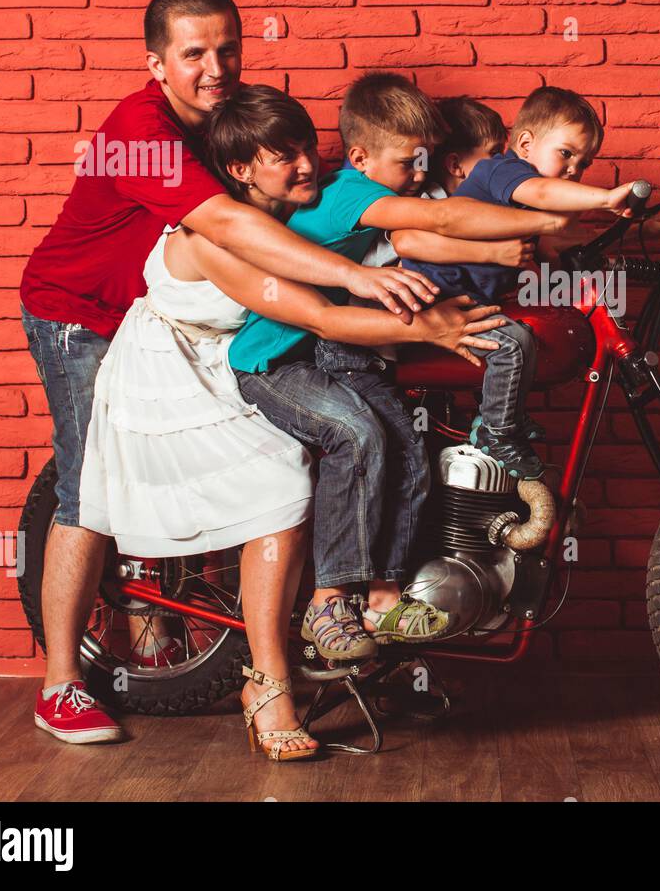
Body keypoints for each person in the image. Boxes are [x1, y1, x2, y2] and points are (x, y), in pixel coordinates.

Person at [20, 0, 436, 745]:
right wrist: (352, 276)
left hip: (197, 327)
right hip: (80, 316)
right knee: (89, 484)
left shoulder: (229, 127)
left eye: (228, 49)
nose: (217, 67)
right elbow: (228, 224)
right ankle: (61, 683)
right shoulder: (142, 132)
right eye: (194, 54)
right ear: (157, 64)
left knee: (282, 465)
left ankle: (276, 660)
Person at [76, 85, 505, 759]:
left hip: (263, 358)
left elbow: (397, 235)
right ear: (243, 169)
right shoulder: (218, 235)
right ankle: (273, 678)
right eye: (286, 154)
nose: (309, 162)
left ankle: (368, 620)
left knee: (383, 435)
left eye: (308, 145)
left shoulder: (311, 205)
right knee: (289, 484)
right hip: (179, 369)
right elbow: (322, 315)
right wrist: (432, 324)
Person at [229, 72, 573, 656]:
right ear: (362, 157)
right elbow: (432, 229)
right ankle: (328, 601)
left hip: (330, 352)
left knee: (410, 452)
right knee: (357, 434)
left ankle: (386, 599)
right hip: (274, 361)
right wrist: (541, 220)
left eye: (426, 162)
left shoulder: (383, 198)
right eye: (409, 162)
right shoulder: (349, 192)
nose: (421, 175)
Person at [400, 87, 640, 479]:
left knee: (527, 335)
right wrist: (605, 197)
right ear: (525, 143)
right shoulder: (503, 171)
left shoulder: (529, 204)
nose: (573, 170)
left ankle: (499, 417)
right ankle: (497, 431)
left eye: (584, 163)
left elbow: (562, 242)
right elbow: (544, 189)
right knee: (513, 345)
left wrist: (642, 228)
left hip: (468, 299)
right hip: (434, 296)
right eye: (566, 154)